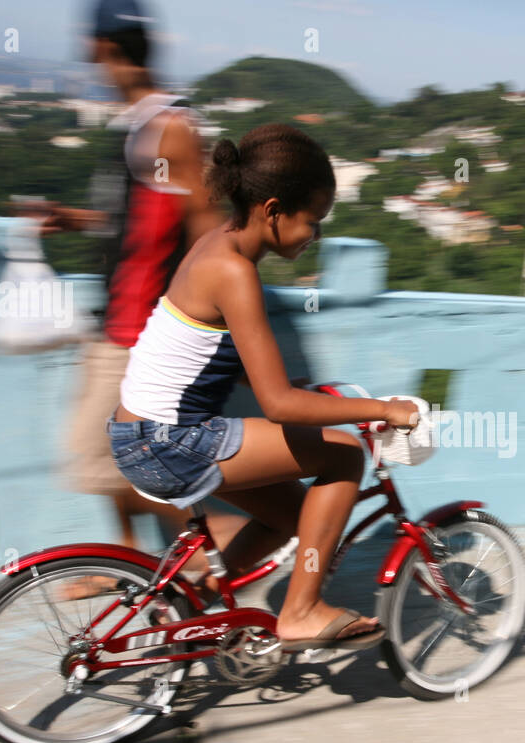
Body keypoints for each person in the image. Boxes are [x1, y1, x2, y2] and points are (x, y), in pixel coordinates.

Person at [106, 123, 420, 649]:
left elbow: (220, 352)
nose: (314, 236)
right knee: (343, 459)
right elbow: (277, 404)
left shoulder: (218, 243)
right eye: (312, 222)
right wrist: (384, 409)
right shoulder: (234, 271)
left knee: (296, 518)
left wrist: (301, 388)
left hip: (142, 434)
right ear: (273, 211)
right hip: (169, 443)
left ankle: (195, 595)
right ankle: (299, 611)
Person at [50, 0, 248, 603]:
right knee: (105, 462)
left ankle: (224, 545)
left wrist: (197, 328)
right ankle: (139, 565)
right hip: (114, 323)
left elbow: (204, 229)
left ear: (105, 48)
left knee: (100, 456)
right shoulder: (140, 125)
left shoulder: (172, 129)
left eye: (92, 45)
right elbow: (135, 225)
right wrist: (75, 221)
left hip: (140, 334)